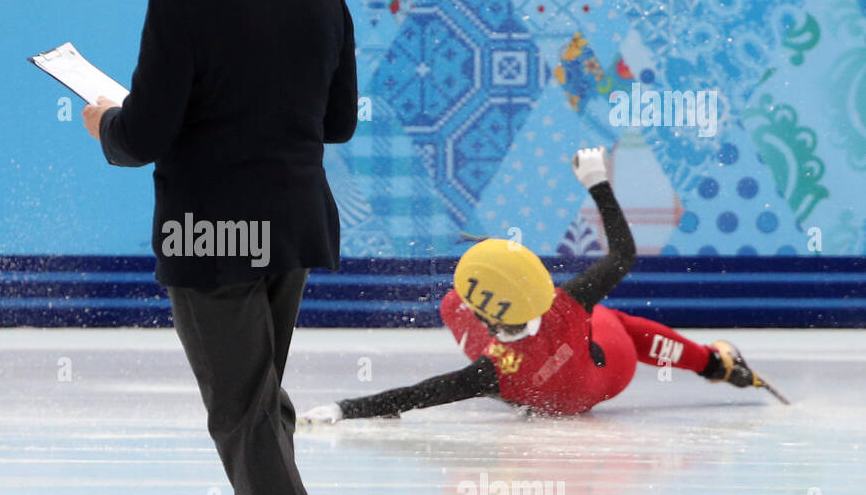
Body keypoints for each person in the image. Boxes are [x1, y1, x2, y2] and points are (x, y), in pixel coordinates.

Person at [80, 0, 358, 495]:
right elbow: (337, 124)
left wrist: (103, 121)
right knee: (258, 403)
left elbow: (142, 140)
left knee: (241, 411)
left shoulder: (176, 2)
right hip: (294, 228)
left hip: (209, 237)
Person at [302, 147, 783, 424]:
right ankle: (717, 364)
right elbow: (623, 256)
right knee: (619, 323)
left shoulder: (488, 371)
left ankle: (712, 363)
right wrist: (597, 183)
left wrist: (344, 408)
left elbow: (415, 395)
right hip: (607, 377)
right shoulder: (567, 305)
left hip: (527, 388)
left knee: (452, 301)